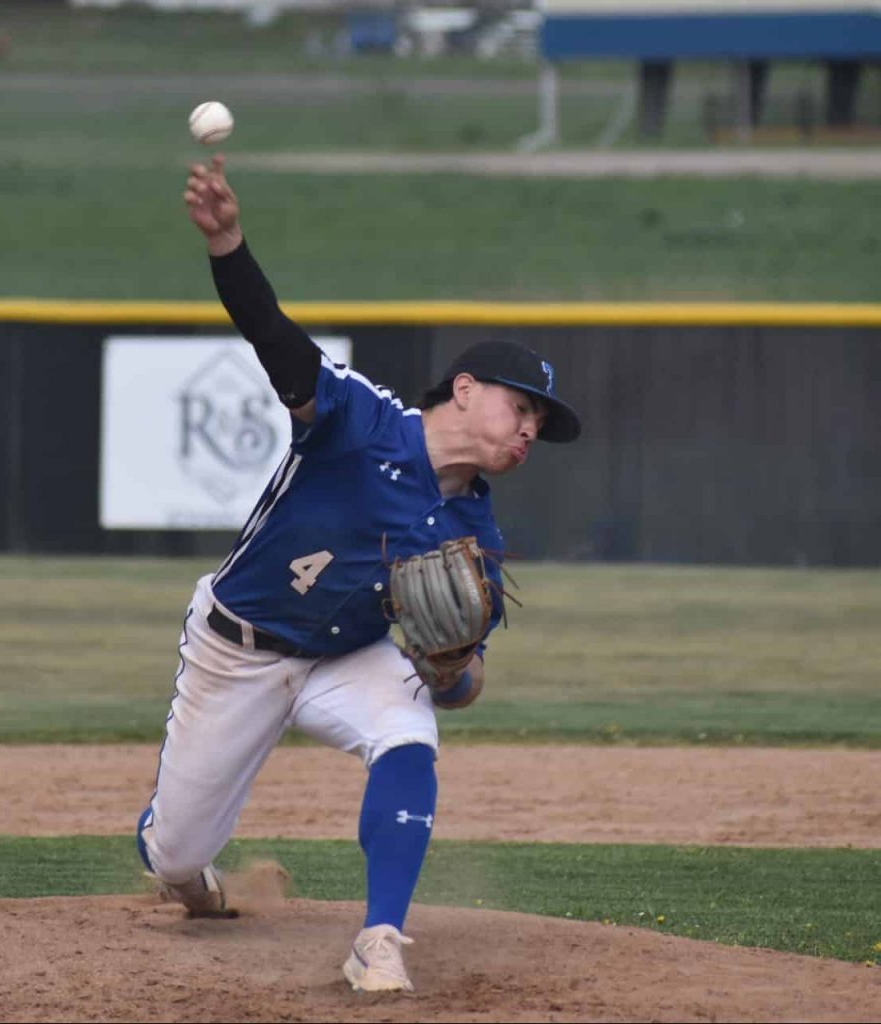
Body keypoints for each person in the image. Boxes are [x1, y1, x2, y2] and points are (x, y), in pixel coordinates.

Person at [136, 154, 581, 994]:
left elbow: (468, 683)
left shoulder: (475, 529)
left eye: (538, 426)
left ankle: (380, 938)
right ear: (464, 388)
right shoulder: (358, 420)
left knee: (412, 729)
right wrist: (227, 243)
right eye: (521, 410)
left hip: (347, 657)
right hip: (240, 650)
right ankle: (176, 863)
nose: (528, 433)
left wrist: (449, 670)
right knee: (179, 855)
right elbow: (273, 336)